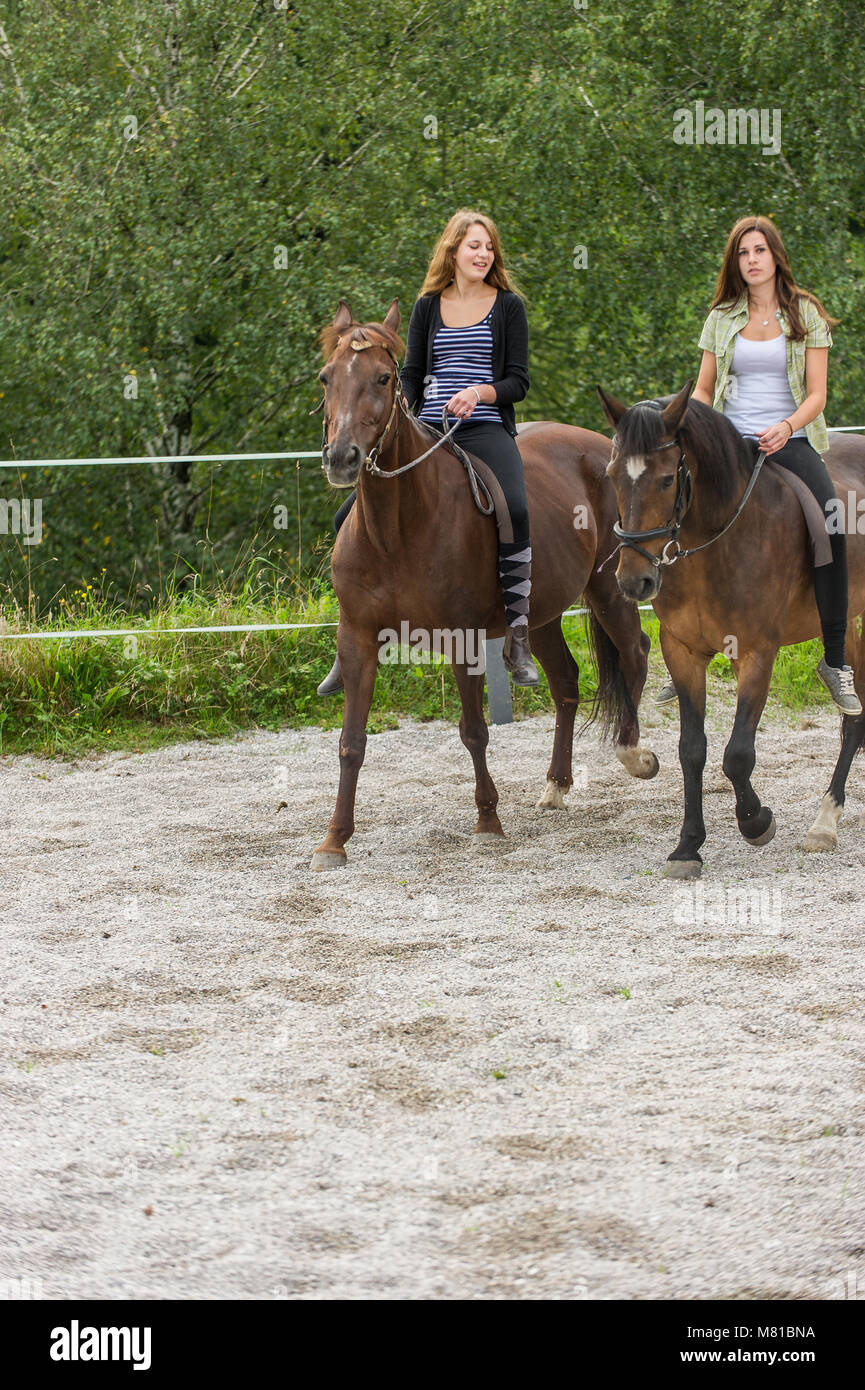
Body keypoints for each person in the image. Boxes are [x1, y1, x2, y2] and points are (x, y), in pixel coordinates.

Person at [317, 207, 537, 695]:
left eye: (489, 246)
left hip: (482, 428)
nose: (483, 253)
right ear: (453, 251)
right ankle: (348, 642)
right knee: (343, 520)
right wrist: (403, 422)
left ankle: (517, 636)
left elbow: (518, 381)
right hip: (427, 430)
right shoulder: (427, 307)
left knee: (515, 508)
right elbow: (410, 377)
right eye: (473, 245)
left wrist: (479, 394)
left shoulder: (508, 307)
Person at [654, 214, 860, 716]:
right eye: (743, 253)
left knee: (830, 519)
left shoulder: (805, 312)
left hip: (786, 440)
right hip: (727, 443)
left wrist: (787, 427)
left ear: (774, 256)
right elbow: (704, 387)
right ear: (736, 262)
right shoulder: (721, 317)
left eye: (759, 251)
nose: (751, 260)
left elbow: (817, 393)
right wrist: (693, 425)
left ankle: (835, 659)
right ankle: (683, 642)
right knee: (671, 510)